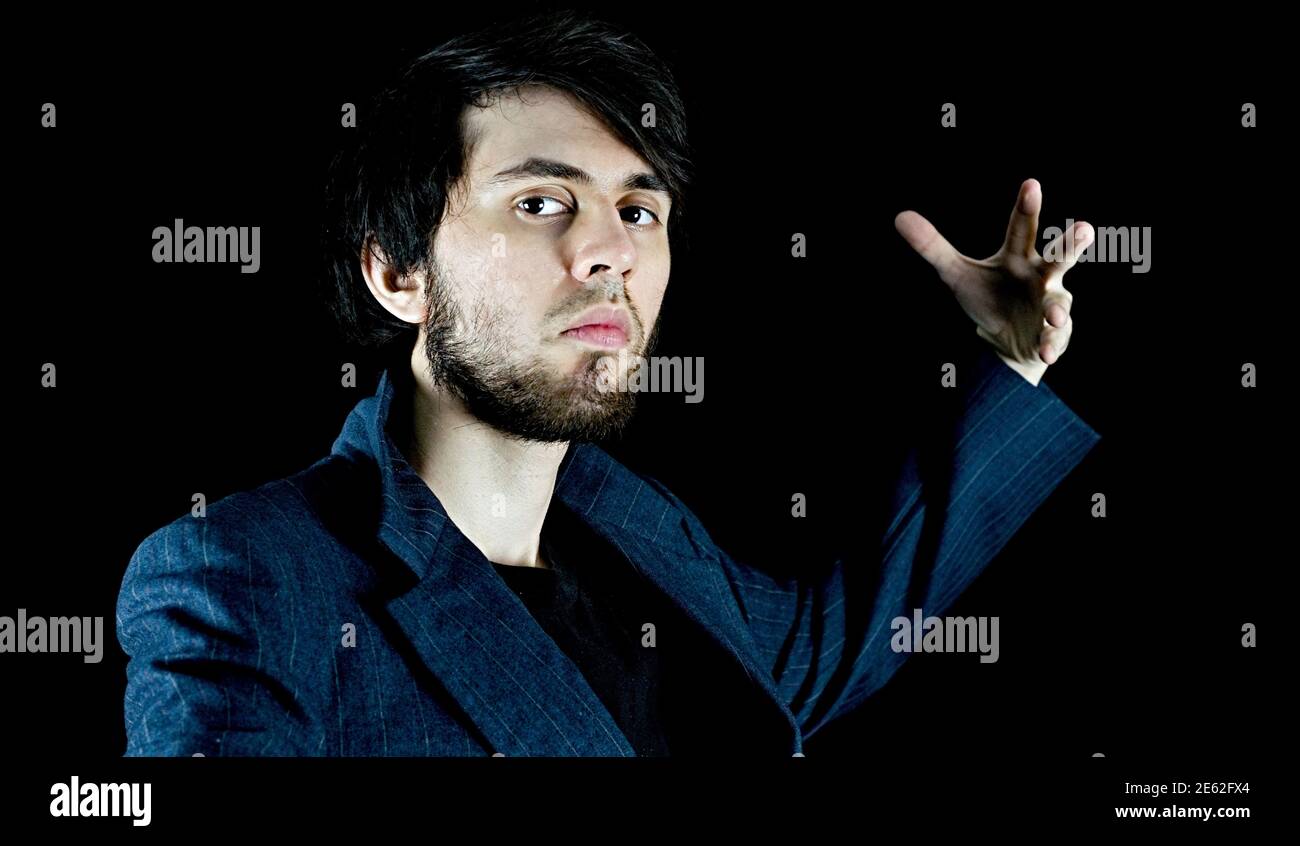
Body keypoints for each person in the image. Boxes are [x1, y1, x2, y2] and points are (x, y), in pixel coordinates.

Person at [115, 10, 1100, 757]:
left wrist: (1009, 364)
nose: (606, 253)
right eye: (541, 201)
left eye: (638, 210)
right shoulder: (240, 575)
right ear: (397, 274)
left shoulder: (633, 525)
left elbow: (816, 653)